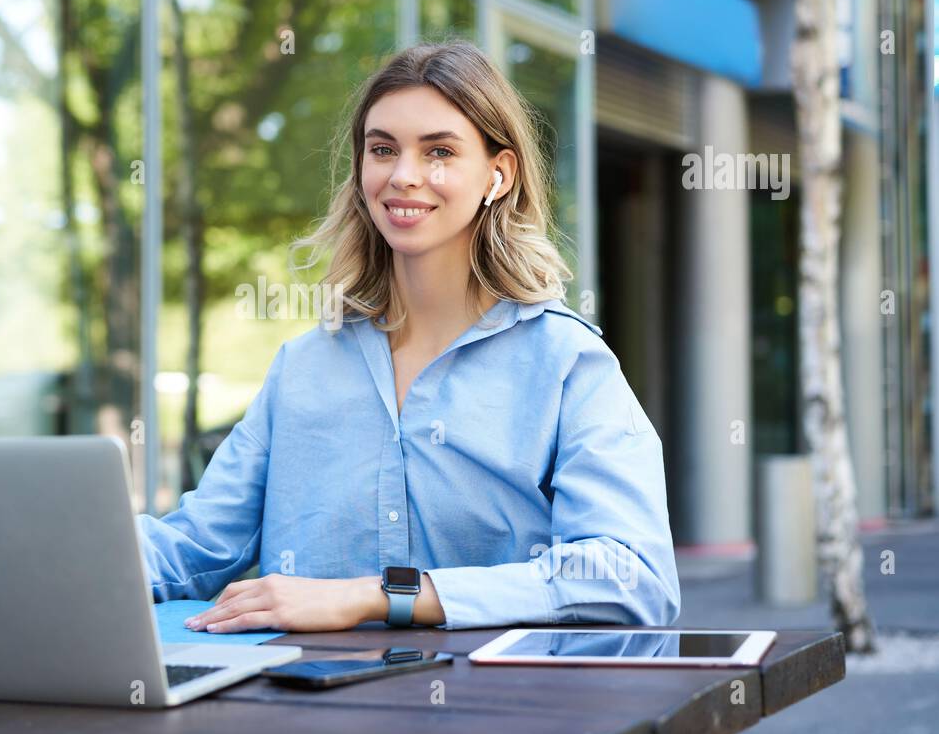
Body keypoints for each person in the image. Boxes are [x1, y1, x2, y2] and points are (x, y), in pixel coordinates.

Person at [136, 39, 681, 633]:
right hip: (312, 714)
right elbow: (193, 550)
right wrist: (51, 551)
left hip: (498, 714)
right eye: (382, 150)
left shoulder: (566, 362)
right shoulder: (304, 367)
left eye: (439, 151)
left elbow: (631, 573)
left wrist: (380, 595)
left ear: (498, 175)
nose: (403, 176)